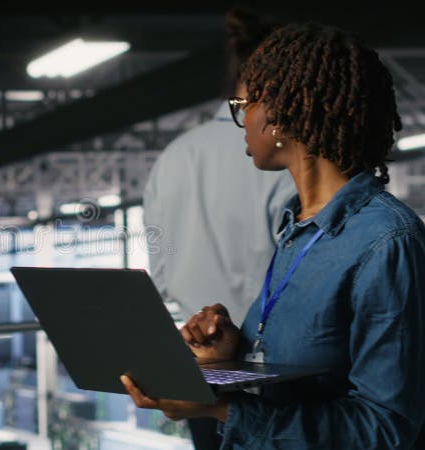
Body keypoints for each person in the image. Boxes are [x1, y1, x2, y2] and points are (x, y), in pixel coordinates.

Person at [124, 22, 425, 449]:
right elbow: (297, 380)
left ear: (283, 115)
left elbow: (386, 429)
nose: (242, 119)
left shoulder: (385, 242)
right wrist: (231, 356)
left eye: (246, 105)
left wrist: (221, 410)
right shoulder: (296, 228)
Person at [141, 8, 295, 449]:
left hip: (202, 371)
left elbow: (163, 275)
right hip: (273, 378)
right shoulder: (281, 156)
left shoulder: (172, 157)